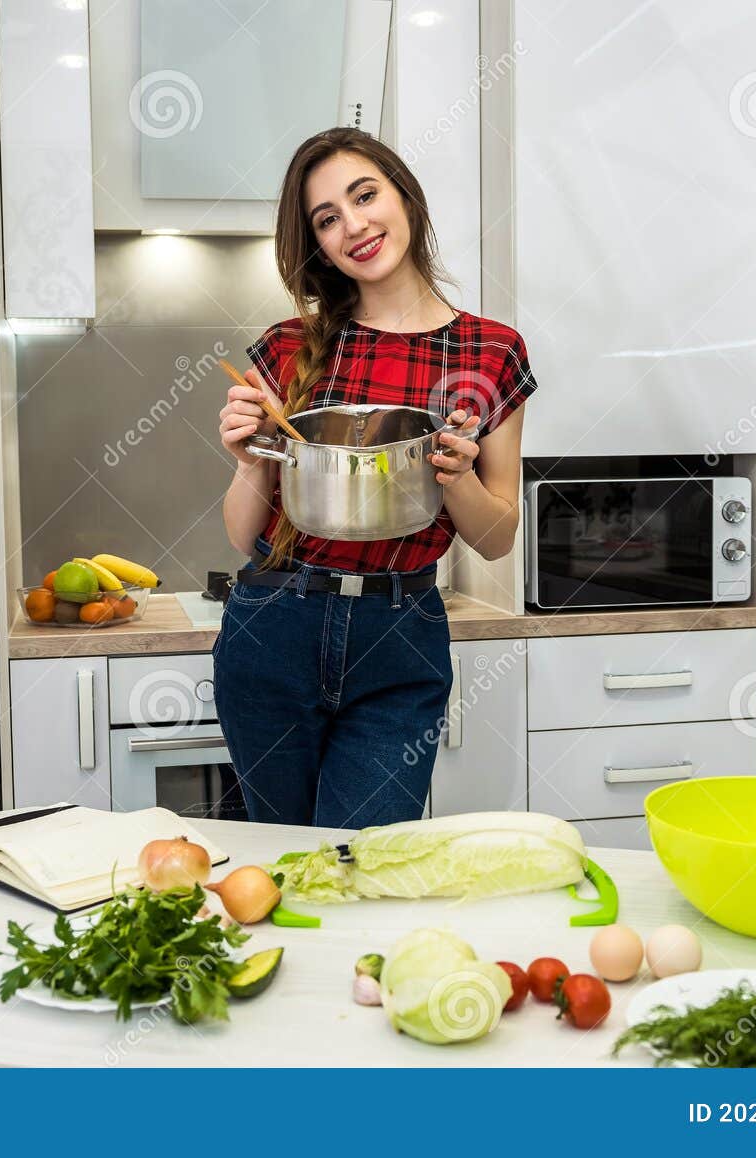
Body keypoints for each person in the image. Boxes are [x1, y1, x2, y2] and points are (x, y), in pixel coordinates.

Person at [213, 127, 536, 829]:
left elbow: (499, 537)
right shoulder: (289, 347)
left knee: (363, 862)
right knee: (278, 862)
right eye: (326, 218)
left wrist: (454, 477)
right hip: (274, 622)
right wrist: (247, 462)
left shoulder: (493, 351)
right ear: (317, 245)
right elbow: (246, 536)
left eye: (365, 196)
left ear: (405, 197)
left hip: (401, 631)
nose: (353, 225)